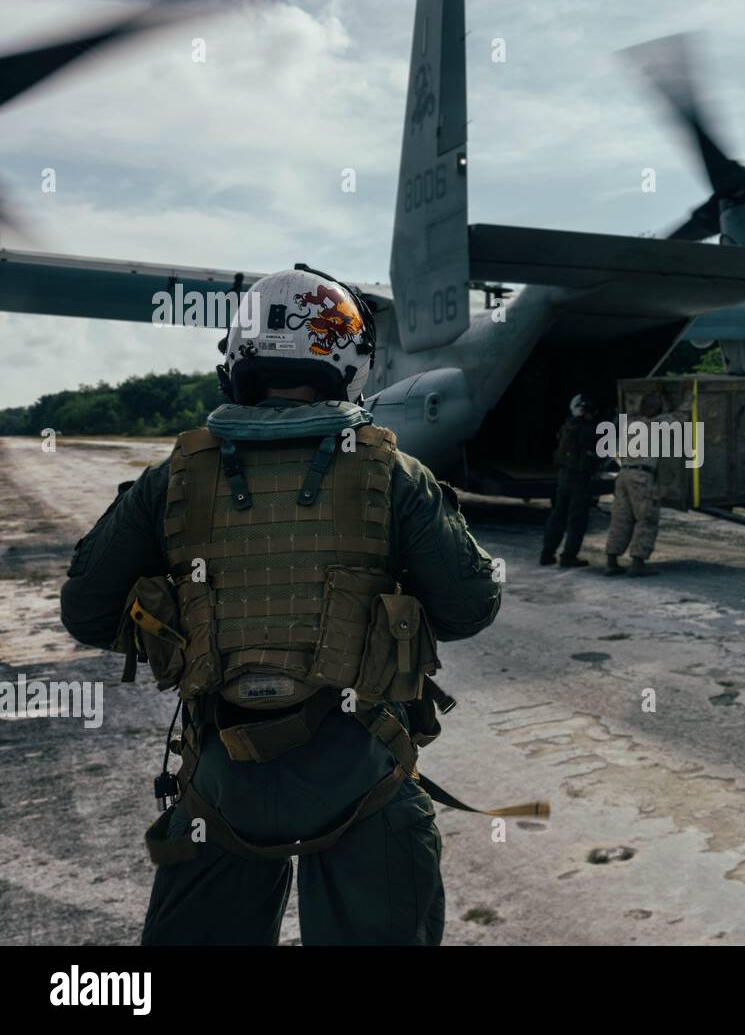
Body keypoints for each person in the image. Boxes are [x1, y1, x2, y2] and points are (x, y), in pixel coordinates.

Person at [59, 266, 502, 946]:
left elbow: (86, 612)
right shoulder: (393, 473)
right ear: (348, 360)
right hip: (362, 771)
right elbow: (471, 607)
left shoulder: (172, 476)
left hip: (221, 780)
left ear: (238, 361)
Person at [603, 390, 692, 577]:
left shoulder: (629, 421)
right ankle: (638, 562)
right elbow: (681, 416)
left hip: (623, 474)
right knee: (647, 519)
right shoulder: (657, 423)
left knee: (621, 519)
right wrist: (691, 395)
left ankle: (611, 560)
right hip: (642, 477)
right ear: (654, 409)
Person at [540, 393, 599, 567]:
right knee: (577, 519)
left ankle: (547, 554)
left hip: (564, 476)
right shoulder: (590, 429)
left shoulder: (567, 426)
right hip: (580, 479)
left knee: (558, 515)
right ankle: (568, 557)